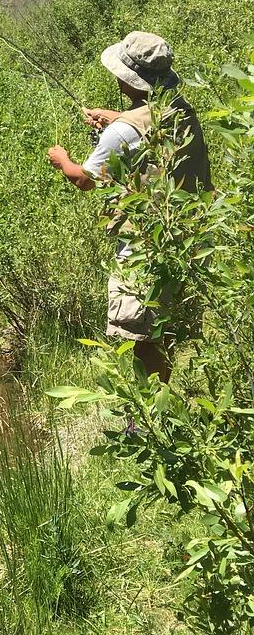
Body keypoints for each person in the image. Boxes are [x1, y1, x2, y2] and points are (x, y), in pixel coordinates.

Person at [46, 31, 211, 383]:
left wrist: (62, 160)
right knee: (165, 329)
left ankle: (151, 416)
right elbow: (149, 122)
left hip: (144, 249)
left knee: (141, 338)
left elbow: (84, 180)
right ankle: (166, 408)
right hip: (186, 242)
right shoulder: (181, 110)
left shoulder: (123, 131)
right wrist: (118, 117)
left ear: (128, 78)